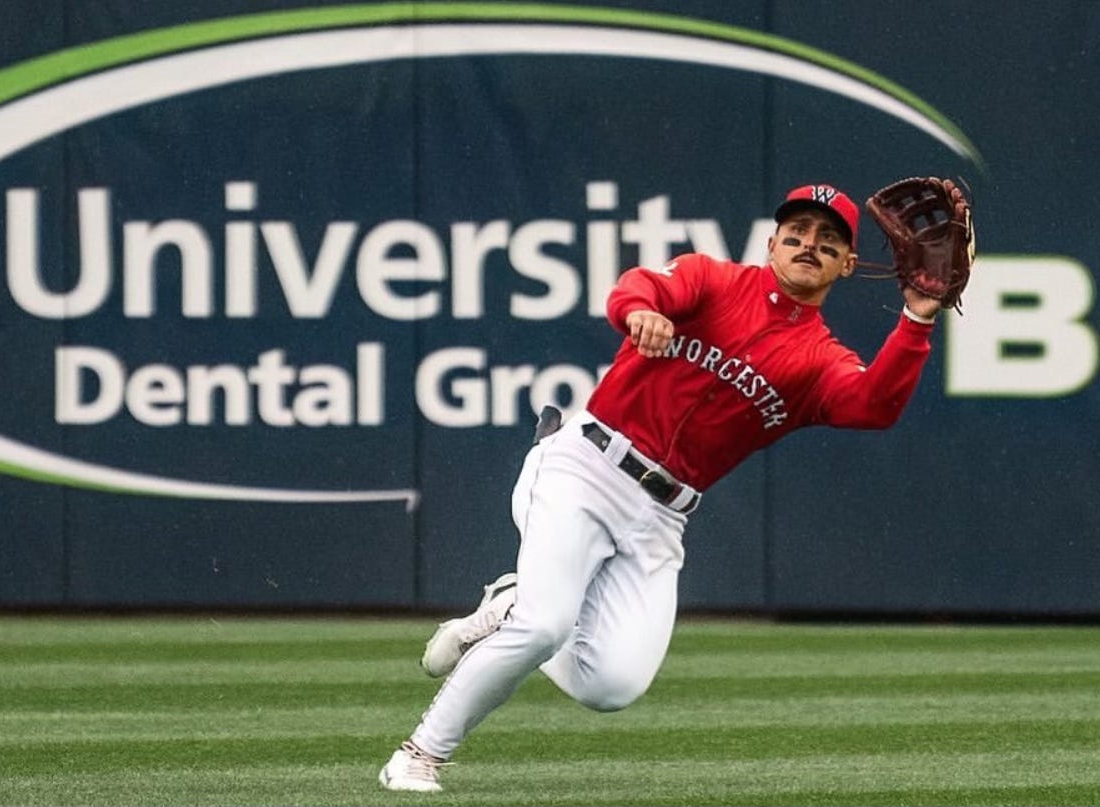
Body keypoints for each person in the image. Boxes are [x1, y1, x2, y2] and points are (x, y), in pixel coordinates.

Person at [380, 182, 952, 792]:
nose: (808, 245)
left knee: (611, 686)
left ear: (846, 264)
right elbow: (639, 287)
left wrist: (917, 316)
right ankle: (418, 755)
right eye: (797, 234)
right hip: (587, 465)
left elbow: (873, 406)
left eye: (828, 240)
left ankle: (509, 604)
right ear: (772, 244)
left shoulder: (818, 359)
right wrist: (640, 312)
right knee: (546, 626)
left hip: (662, 514)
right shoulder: (713, 280)